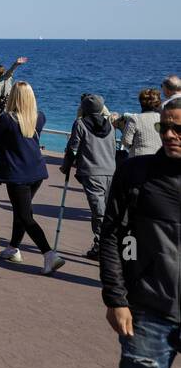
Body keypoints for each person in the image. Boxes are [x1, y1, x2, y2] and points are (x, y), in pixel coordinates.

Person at [100, 98, 181, 368]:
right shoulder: (135, 174)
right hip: (147, 311)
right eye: (165, 127)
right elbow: (111, 237)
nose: (171, 135)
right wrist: (116, 298)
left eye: (180, 128)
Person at [0, 81, 63, 274]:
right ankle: (13, 248)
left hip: (17, 173)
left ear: (14, 97)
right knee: (20, 210)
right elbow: (24, 140)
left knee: (25, 215)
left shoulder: (7, 119)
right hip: (36, 171)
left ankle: (49, 254)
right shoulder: (39, 118)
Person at [61, 93, 118, 259]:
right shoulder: (110, 125)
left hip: (91, 172)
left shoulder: (80, 124)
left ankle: (102, 246)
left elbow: (73, 147)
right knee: (105, 210)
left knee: (99, 211)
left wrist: (66, 166)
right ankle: (105, 243)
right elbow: (113, 147)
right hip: (110, 170)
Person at [116, 89, 162, 158]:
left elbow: (126, 142)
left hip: (139, 159)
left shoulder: (135, 119)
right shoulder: (162, 118)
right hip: (159, 158)